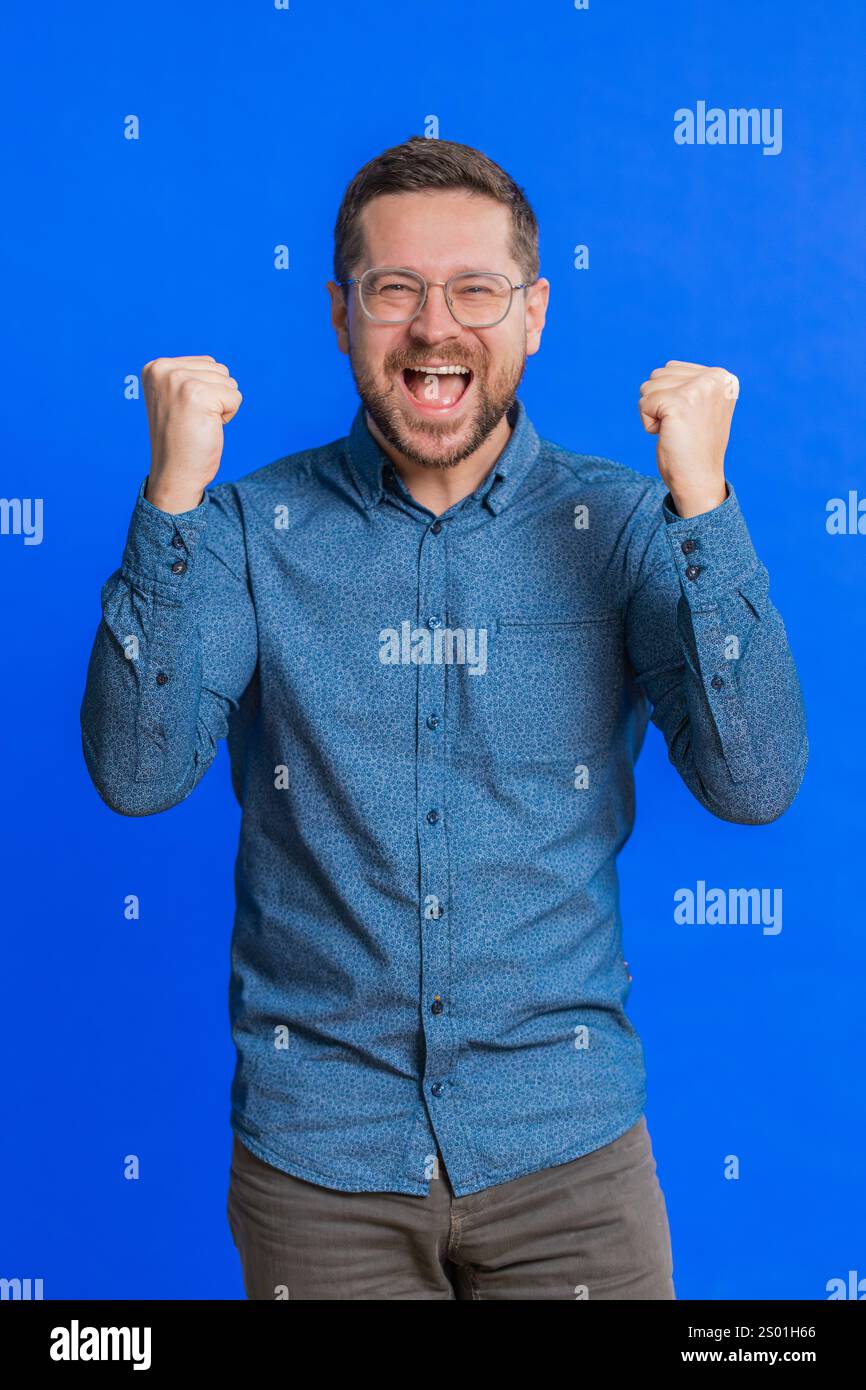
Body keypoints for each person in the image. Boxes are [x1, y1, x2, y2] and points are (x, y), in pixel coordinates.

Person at [80, 136, 808, 1300]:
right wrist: (168, 498)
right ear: (340, 313)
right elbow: (135, 770)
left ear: (532, 313)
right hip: (320, 1167)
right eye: (395, 290)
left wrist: (704, 509)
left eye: (474, 289)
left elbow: (754, 780)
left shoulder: (624, 526)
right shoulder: (243, 527)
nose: (435, 328)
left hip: (567, 1161)